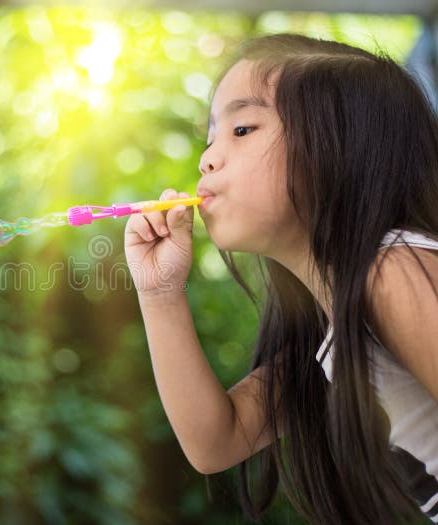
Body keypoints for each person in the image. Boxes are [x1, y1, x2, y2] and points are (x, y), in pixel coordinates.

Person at [125, 32, 438, 525]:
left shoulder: (394, 269)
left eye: (242, 129)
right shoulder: (332, 328)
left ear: (339, 145)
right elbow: (216, 442)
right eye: (210, 138)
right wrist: (159, 291)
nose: (207, 158)